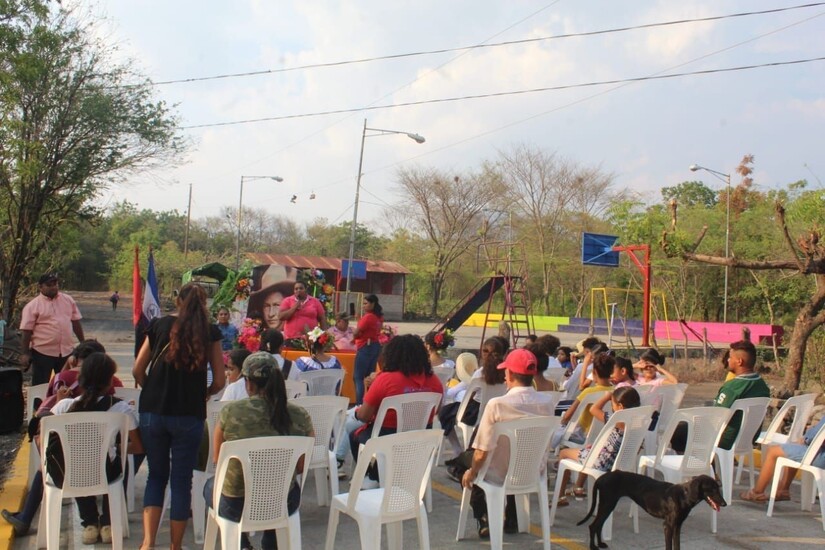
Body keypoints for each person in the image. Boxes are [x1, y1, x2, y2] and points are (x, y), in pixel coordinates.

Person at [132, 283, 225, 550]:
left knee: (156, 476)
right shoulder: (210, 332)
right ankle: (175, 545)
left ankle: (148, 542)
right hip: (189, 414)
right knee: (182, 481)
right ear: (204, 304)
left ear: (177, 300)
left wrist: (153, 388)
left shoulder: (159, 325)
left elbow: (138, 370)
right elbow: (220, 380)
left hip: (153, 411)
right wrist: (205, 393)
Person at [1, 345, 128, 539]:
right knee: (118, 459)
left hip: (68, 474)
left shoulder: (63, 399)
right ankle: (108, 523)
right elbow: (136, 446)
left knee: (71, 459)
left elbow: (43, 437)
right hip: (106, 473)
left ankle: (89, 524)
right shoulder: (120, 406)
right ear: (110, 379)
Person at [204, 352, 314, 550]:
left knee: (210, 486)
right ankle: (271, 543)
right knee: (278, 489)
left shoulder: (230, 411)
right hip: (283, 502)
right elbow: (301, 467)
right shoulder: (300, 415)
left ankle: (241, 543)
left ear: (248, 383)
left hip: (235, 504)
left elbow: (218, 461)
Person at [460, 348, 556, 539]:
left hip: (499, 474)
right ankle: (511, 517)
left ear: (510, 374)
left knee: (463, 465)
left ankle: (484, 516)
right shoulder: (546, 403)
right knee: (509, 458)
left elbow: (481, 452)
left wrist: (472, 472)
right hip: (532, 471)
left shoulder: (497, 404)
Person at [350, 334, 443, 485]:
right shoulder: (435, 381)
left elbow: (364, 416)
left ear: (391, 354)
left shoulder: (385, 379)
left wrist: (357, 412)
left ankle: (373, 476)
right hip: (420, 440)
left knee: (353, 436)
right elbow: (436, 411)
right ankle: (381, 475)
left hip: (387, 438)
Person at [671, 340, 770, 454]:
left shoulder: (732, 387)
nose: (728, 360)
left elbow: (715, 417)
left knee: (678, 431)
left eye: (730, 357)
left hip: (725, 441)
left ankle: (696, 462)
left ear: (739, 361)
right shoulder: (762, 385)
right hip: (748, 439)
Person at [554, 387, 641, 506]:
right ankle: (578, 487)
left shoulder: (617, 420)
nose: (611, 407)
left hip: (602, 463)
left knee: (564, 453)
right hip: (619, 462)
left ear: (620, 406)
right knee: (589, 450)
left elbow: (593, 409)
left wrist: (607, 396)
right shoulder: (639, 421)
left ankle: (560, 496)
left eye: (612, 404)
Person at [441, 337, 507, 458]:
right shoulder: (507, 372)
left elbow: (469, 396)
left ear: (483, 353)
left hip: (475, 413)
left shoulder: (480, 373)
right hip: (497, 412)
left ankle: (457, 448)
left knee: (444, 412)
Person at [740, 415, 825, 502]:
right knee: (793, 449)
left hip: (820, 456)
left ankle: (757, 492)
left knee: (773, 451)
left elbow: (815, 435)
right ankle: (783, 490)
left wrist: (806, 436)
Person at [19, 272, 85, 385]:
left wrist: (83, 343)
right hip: (42, 352)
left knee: (66, 383)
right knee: (40, 385)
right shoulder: (32, 306)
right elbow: (26, 331)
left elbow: (75, 322)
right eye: (49, 285)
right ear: (40, 287)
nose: (53, 287)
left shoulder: (68, 300)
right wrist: (25, 353)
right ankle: (42, 398)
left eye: (55, 284)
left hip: (66, 351)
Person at [552, 352, 614, 449]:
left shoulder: (588, 392)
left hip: (582, 436)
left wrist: (562, 422)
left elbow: (567, 416)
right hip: (604, 435)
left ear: (594, 372)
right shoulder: (615, 391)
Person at [352, 294, 384, 404]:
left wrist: (357, 335)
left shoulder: (368, 317)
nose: (363, 306)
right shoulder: (379, 317)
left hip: (365, 346)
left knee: (358, 377)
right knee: (370, 377)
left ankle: (359, 404)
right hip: (375, 346)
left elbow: (356, 332)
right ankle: (370, 403)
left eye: (365, 303)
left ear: (372, 304)